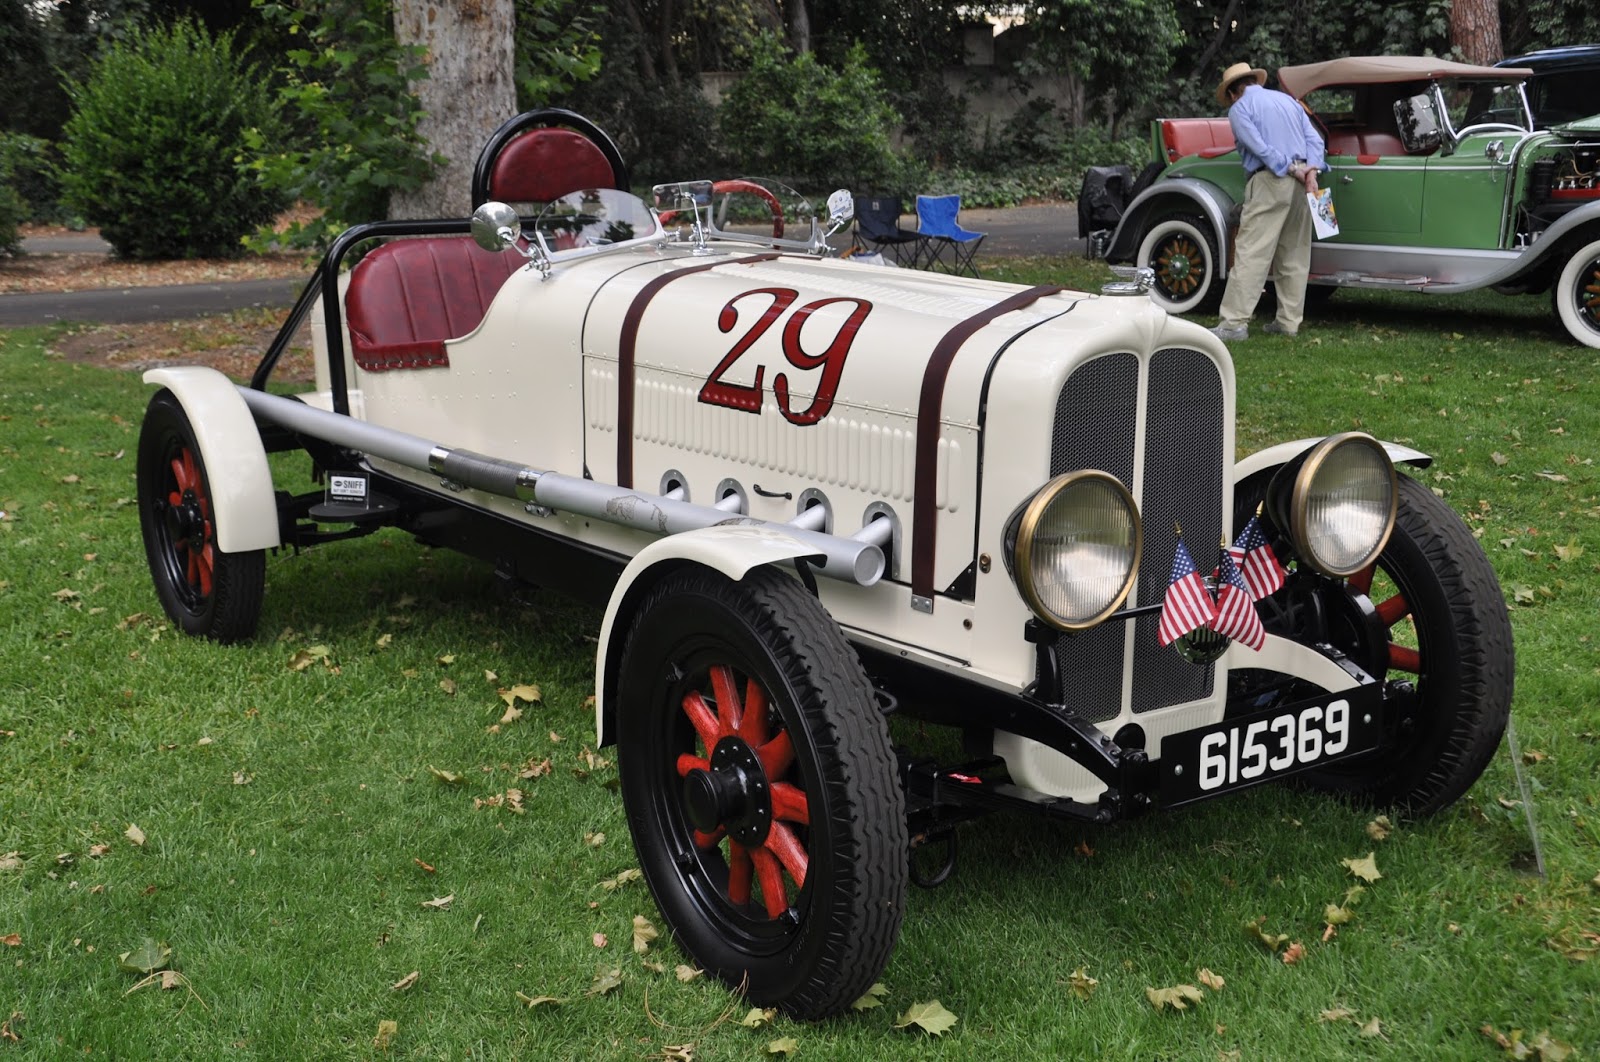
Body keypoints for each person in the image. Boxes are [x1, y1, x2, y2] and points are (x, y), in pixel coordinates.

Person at [1210, 61, 1326, 341]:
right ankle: (1288, 322)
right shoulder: (1289, 101)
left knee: (1252, 252)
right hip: (1305, 184)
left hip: (1271, 180)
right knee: (1295, 254)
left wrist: (1291, 169)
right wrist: (1311, 170)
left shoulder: (1239, 109)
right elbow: (1316, 140)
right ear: (1254, 82)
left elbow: (1259, 147)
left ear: (1234, 93)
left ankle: (1234, 323)